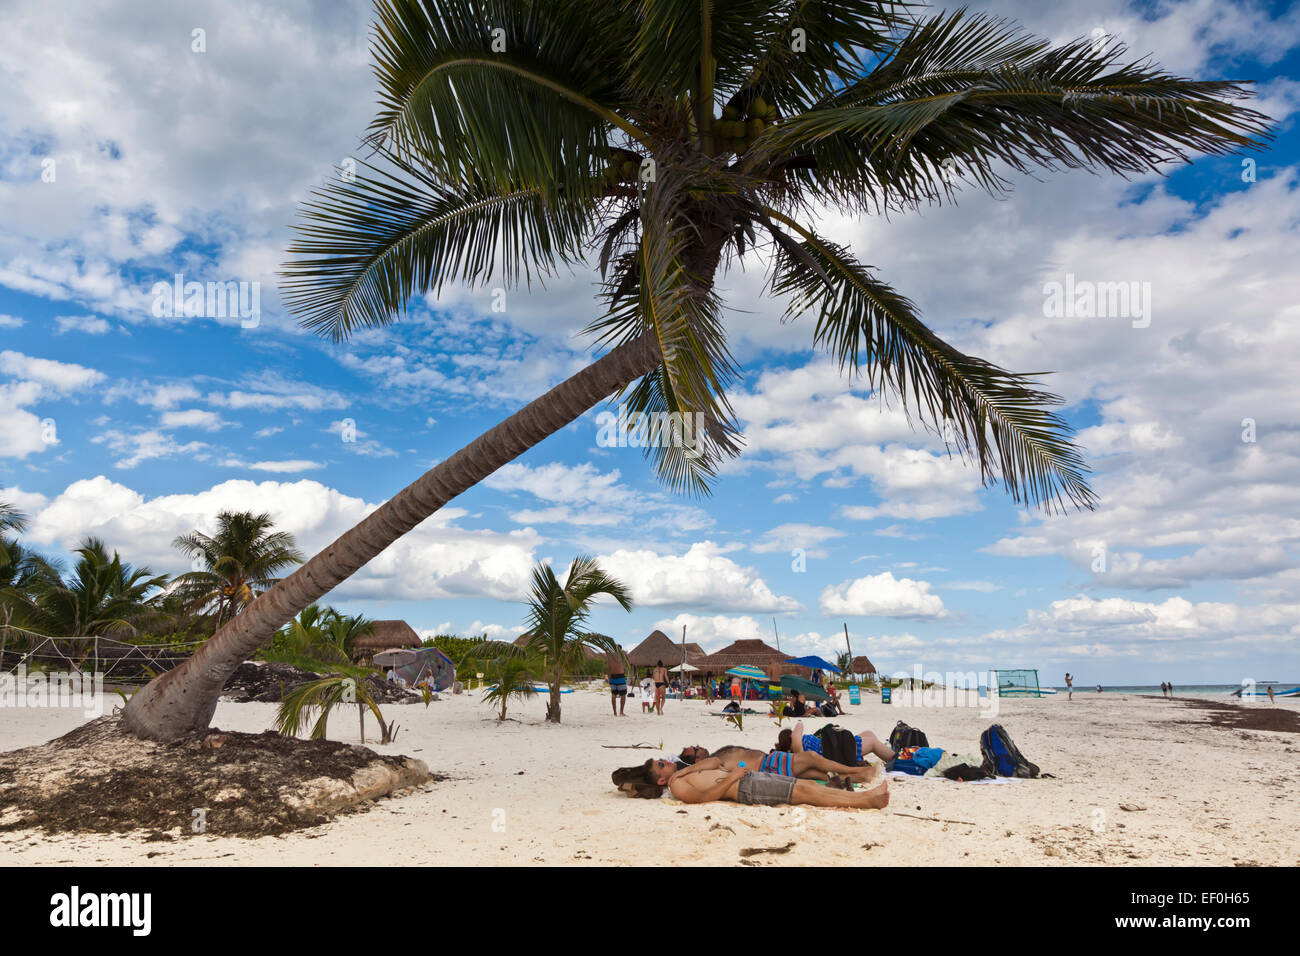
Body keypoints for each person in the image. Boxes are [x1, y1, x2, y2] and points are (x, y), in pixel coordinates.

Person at [663, 764, 889, 809]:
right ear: (661, 780)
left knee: (808, 784)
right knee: (804, 792)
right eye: (661, 764)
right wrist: (732, 778)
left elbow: (714, 762)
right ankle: (867, 800)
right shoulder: (678, 786)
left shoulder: (684, 774)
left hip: (748, 778)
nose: (665, 761)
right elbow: (703, 799)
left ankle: (867, 795)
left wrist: (686, 769)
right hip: (744, 788)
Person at [774, 721, 894, 764]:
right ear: (790, 736)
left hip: (834, 746)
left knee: (869, 733)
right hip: (836, 752)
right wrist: (797, 724)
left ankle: (889, 753)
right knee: (873, 742)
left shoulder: (797, 744)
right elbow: (799, 725)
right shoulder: (797, 747)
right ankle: (896, 759)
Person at [606, 652, 628, 717]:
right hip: (620, 677)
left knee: (613, 694)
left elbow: (607, 669)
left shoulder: (610, 657)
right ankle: (621, 712)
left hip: (612, 677)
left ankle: (615, 713)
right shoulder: (622, 656)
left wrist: (609, 678)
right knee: (623, 695)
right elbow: (628, 664)